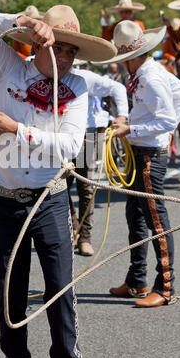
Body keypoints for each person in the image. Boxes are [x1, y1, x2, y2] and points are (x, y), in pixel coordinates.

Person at [0, 4, 116, 358]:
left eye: (71, 51)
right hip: (4, 200)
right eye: (58, 47)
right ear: (37, 43)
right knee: (8, 292)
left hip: (49, 201)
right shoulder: (6, 65)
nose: (65, 57)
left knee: (59, 290)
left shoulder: (77, 86)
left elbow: (70, 147)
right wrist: (22, 21)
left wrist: (14, 129)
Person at [99, 20, 180, 307]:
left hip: (150, 155)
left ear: (130, 57)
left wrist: (134, 130)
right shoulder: (148, 72)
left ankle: (165, 287)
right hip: (142, 151)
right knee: (136, 218)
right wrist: (133, 123)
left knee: (155, 220)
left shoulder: (150, 77)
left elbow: (164, 120)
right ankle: (137, 281)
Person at [67, 60, 128, 256]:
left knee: (86, 187)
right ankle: (73, 225)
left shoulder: (84, 77)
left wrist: (122, 116)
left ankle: (85, 237)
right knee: (58, 187)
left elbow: (117, 87)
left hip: (86, 136)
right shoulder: (44, 74)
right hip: (58, 138)